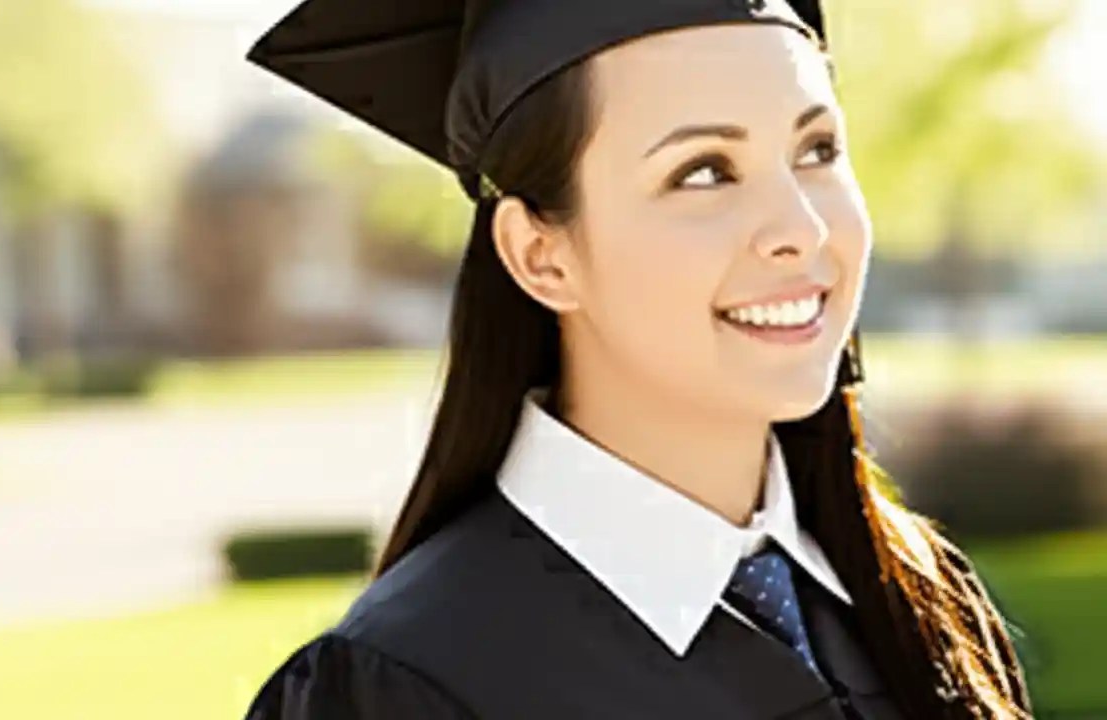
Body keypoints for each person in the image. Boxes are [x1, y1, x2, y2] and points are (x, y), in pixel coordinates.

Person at [241, 1, 1034, 718]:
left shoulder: (917, 596)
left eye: (816, 149)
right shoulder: (407, 684)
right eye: (704, 172)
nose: (801, 226)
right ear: (540, 255)